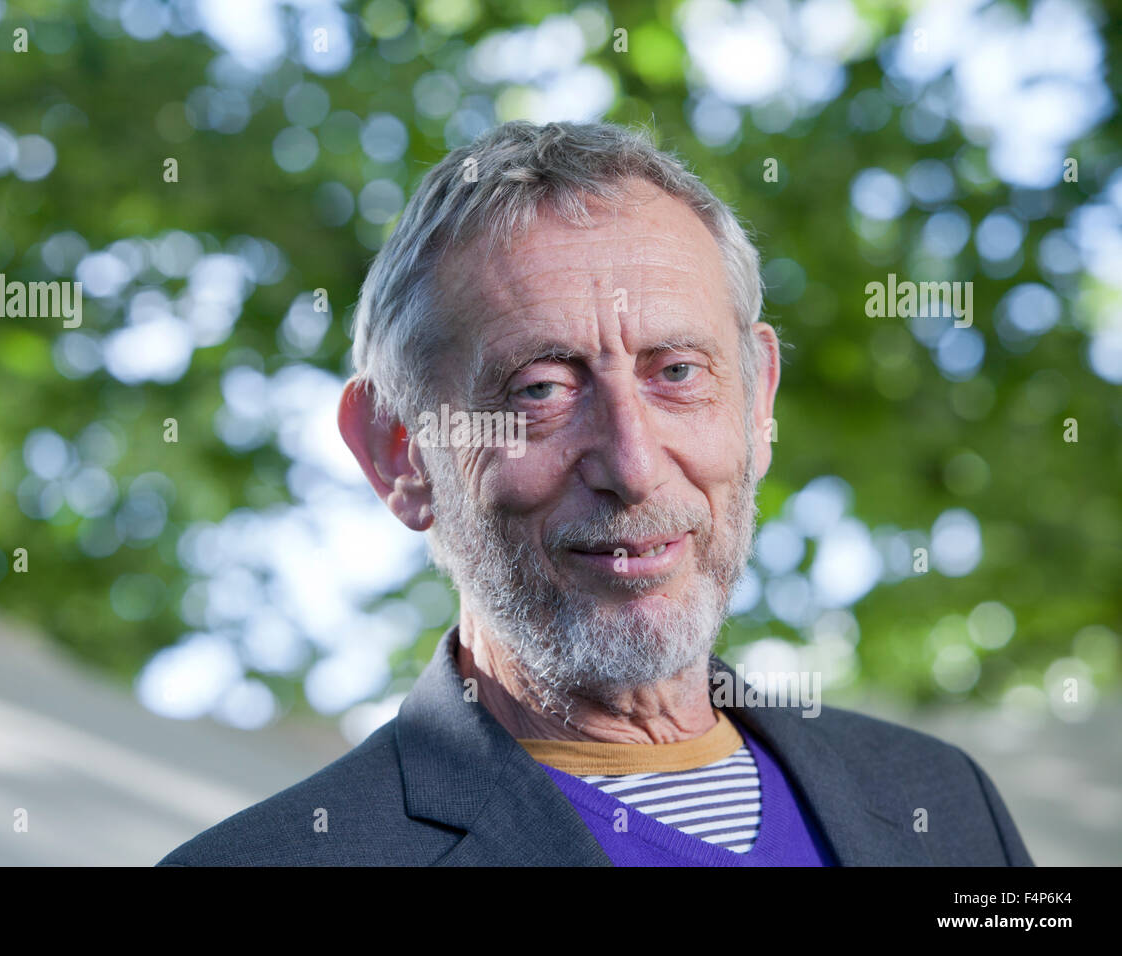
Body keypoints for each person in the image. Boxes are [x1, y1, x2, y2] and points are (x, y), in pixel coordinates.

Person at [159, 121, 1033, 866]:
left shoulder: (947, 808)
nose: (633, 462)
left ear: (759, 402)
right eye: (541, 389)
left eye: (679, 372)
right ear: (401, 452)